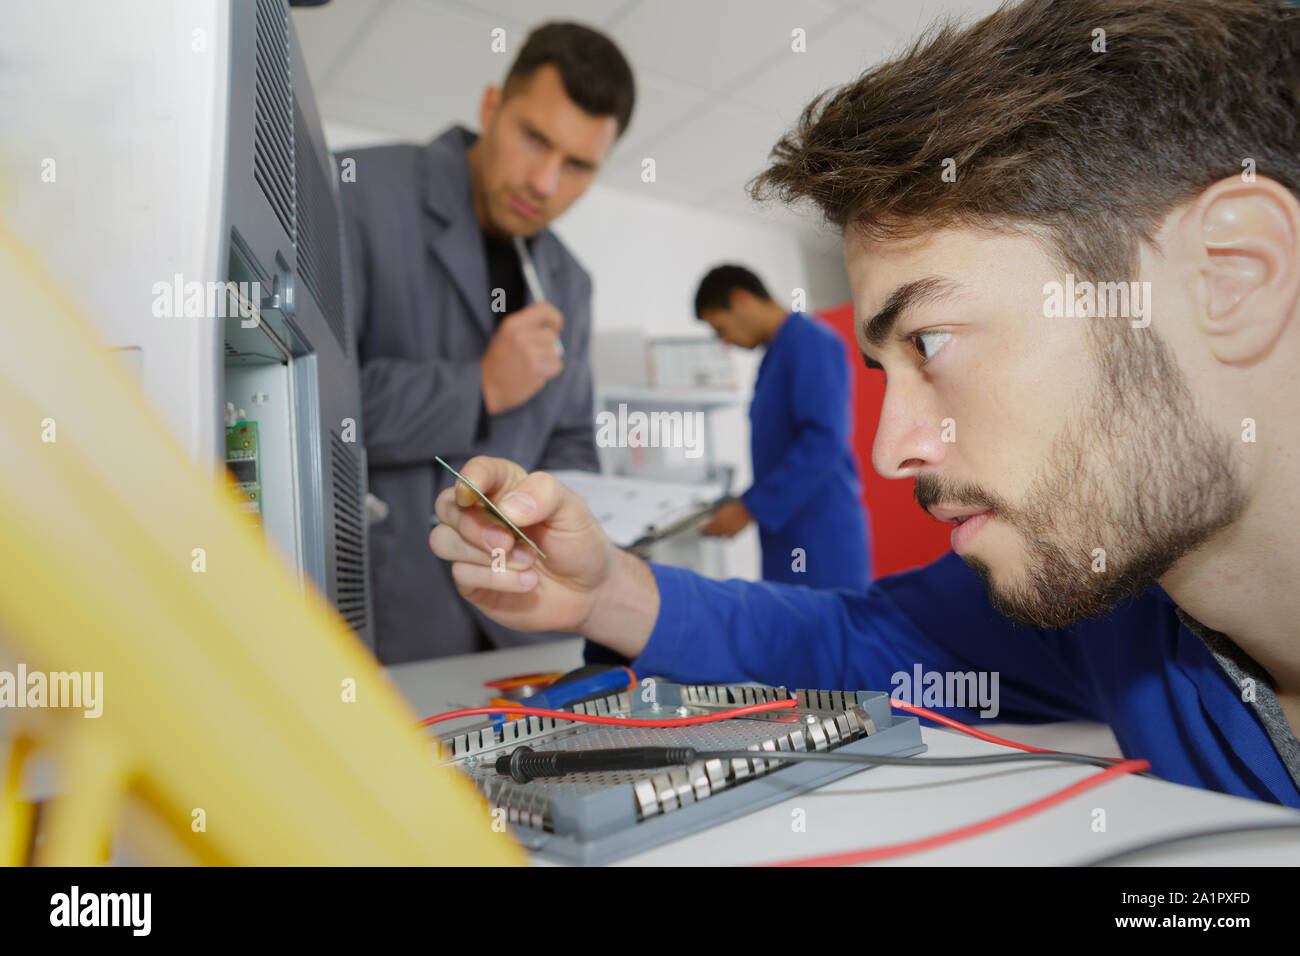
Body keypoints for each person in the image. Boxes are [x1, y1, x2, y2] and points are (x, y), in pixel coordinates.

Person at [428, 0, 1300, 809]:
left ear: (1230, 277)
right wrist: (603, 590)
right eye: (886, 367)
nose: (890, 451)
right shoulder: (1110, 611)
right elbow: (854, 641)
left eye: (929, 339)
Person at [339, 23, 634, 663]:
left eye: (578, 165)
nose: (545, 184)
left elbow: (573, 443)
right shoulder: (359, 193)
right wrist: (480, 387)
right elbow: (310, 411)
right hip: (397, 617)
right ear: (491, 107)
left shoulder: (570, 284)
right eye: (534, 139)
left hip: (532, 620)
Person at [694, 264, 871, 588]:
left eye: (721, 328)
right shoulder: (776, 354)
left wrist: (750, 507)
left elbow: (823, 441)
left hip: (821, 532)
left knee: (824, 631)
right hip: (788, 531)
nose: (725, 341)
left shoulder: (812, 343)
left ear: (741, 299)